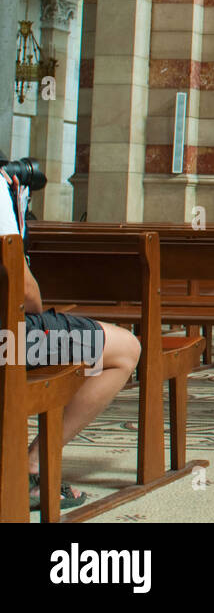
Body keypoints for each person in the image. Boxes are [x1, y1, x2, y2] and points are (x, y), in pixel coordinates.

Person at [1, 171, 141, 513]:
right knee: (124, 349)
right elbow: (22, 287)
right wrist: (35, 310)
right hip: (9, 342)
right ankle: (32, 464)